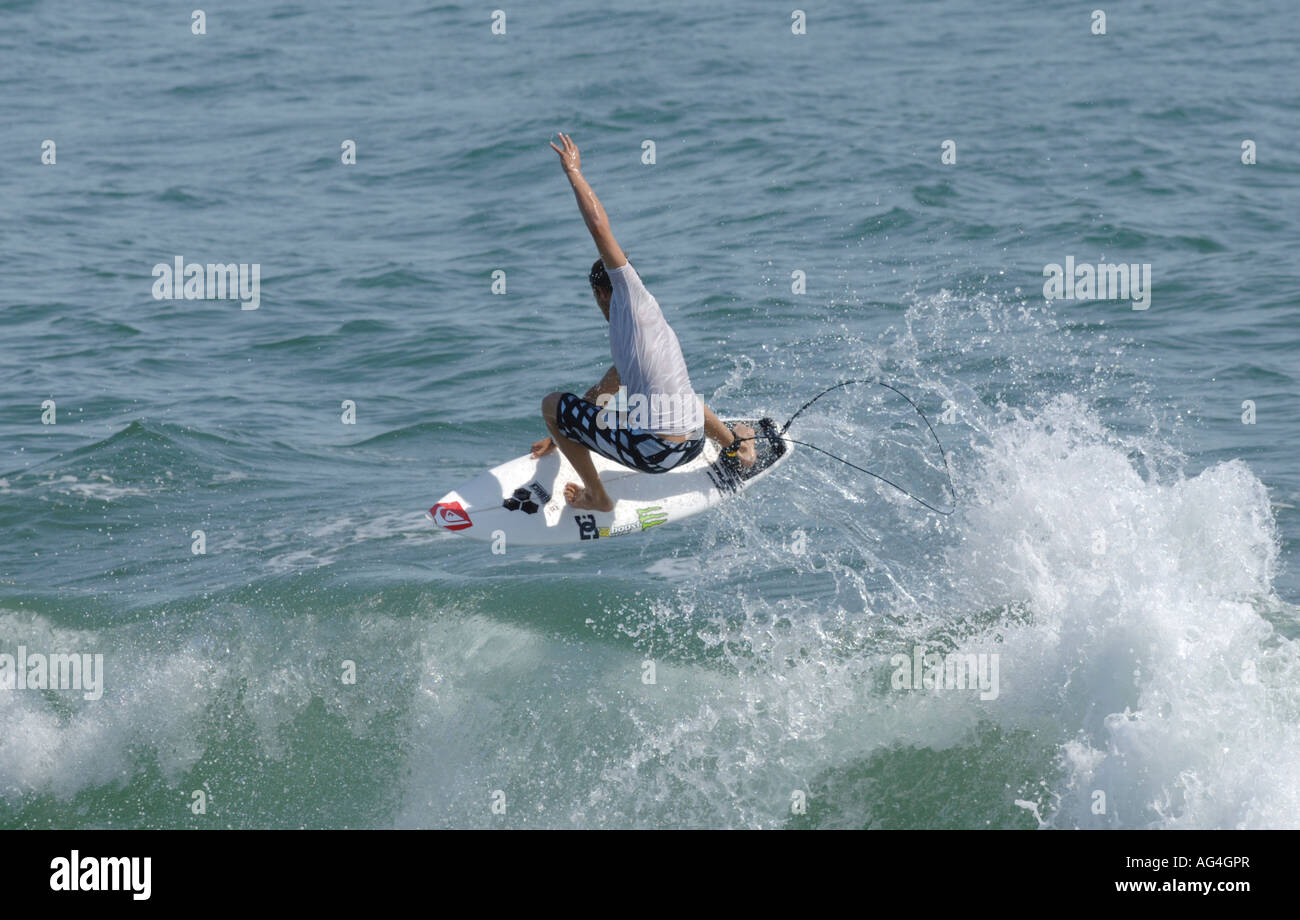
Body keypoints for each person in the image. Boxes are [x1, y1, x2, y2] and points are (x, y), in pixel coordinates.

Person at [532, 133, 756, 511]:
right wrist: (562, 436)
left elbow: (599, 228)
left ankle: (598, 496)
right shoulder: (643, 329)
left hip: (656, 454)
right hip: (695, 443)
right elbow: (606, 388)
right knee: (672, 392)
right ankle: (734, 445)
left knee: (551, 403)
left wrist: (573, 173)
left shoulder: (626, 295)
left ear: (601, 292)